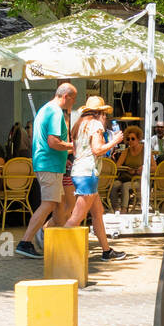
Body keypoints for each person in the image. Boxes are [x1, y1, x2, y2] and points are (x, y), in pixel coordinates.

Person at [17, 83, 77, 259]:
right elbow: (53, 141)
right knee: (50, 203)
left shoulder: (45, 109)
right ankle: (26, 241)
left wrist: (64, 156)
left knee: (59, 204)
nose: (73, 103)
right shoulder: (56, 112)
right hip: (49, 165)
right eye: (73, 99)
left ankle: (57, 242)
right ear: (66, 96)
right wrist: (74, 146)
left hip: (49, 163)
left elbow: (46, 141)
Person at [64, 95, 128, 261]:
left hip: (79, 171)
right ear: (100, 113)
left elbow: (77, 151)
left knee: (98, 213)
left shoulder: (79, 125)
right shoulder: (95, 124)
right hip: (88, 174)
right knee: (75, 218)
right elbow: (98, 150)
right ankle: (58, 252)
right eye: (104, 113)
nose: (106, 117)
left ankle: (106, 251)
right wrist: (115, 141)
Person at [109, 126, 150, 212]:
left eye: (132, 139)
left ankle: (124, 210)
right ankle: (116, 209)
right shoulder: (126, 151)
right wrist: (127, 169)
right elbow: (117, 166)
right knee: (114, 185)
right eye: (128, 139)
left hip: (139, 179)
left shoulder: (145, 151)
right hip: (126, 177)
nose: (130, 141)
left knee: (125, 186)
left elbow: (154, 167)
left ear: (138, 139)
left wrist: (144, 168)